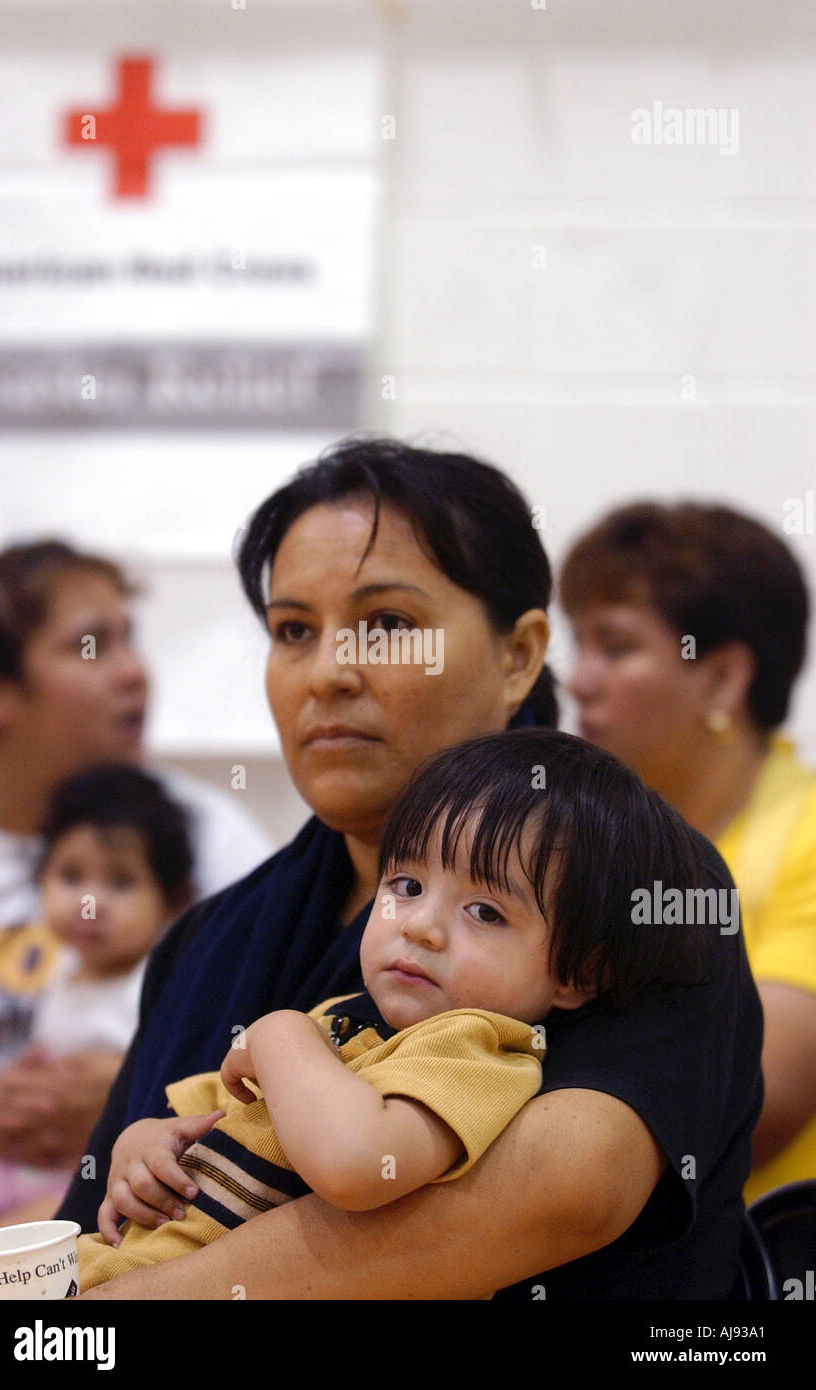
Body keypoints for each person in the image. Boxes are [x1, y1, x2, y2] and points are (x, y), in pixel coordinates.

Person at [65, 438, 758, 1300]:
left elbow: (569, 1192)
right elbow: (100, 1206)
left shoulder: (643, 882)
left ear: (518, 654)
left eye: (388, 625)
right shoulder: (214, 936)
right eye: (292, 631)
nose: (328, 673)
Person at [75, 729, 738, 1295]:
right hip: (118, 1261)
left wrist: (280, 1036)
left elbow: (356, 1164)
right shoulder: (344, 1018)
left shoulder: (478, 1051)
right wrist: (145, 1152)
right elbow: (203, 1115)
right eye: (407, 886)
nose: (420, 926)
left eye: (485, 912)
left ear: (577, 975)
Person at [0, 541, 272, 1178]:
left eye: (130, 639)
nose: (136, 672)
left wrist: (141, 1092)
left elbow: (287, 1033)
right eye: (92, 646)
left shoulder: (203, 836)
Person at [560, 500, 816, 1201]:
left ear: (726, 677)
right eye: (577, 644)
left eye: (614, 647)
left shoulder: (808, 835)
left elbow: (763, 1095)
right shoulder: (578, 839)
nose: (577, 680)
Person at [0, 764, 194, 1234]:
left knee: (2, 1247)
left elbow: (176, 1077)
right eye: (70, 876)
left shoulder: (158, 981)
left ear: (174, 900)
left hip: (86, 1181)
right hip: (19, 1165)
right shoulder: (64, 971)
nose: (91, 903)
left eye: (121, 882)